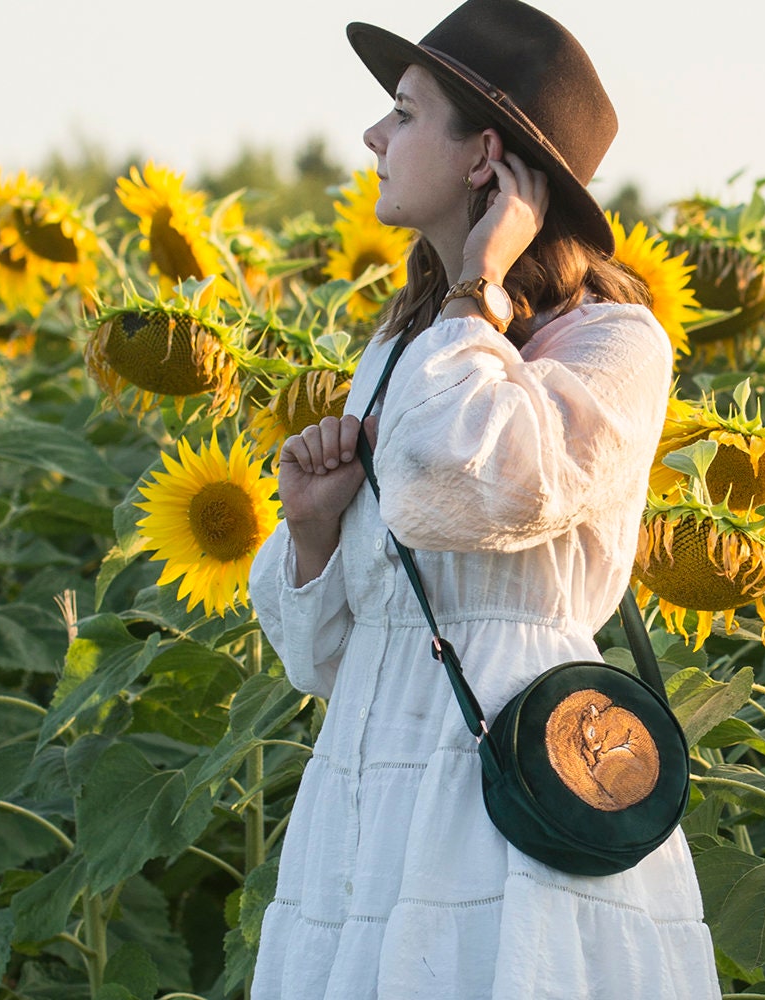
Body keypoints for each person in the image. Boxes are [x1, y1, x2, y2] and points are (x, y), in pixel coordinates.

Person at [248, 1, 720, 997]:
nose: (374, 137)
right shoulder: (402, 352)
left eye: (406, 114)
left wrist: (477, 287)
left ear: (485, 157)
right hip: (368, 784)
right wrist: (311, 525)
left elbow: (462, 487)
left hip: (517, 759)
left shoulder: (610, 346)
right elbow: (325, 654)